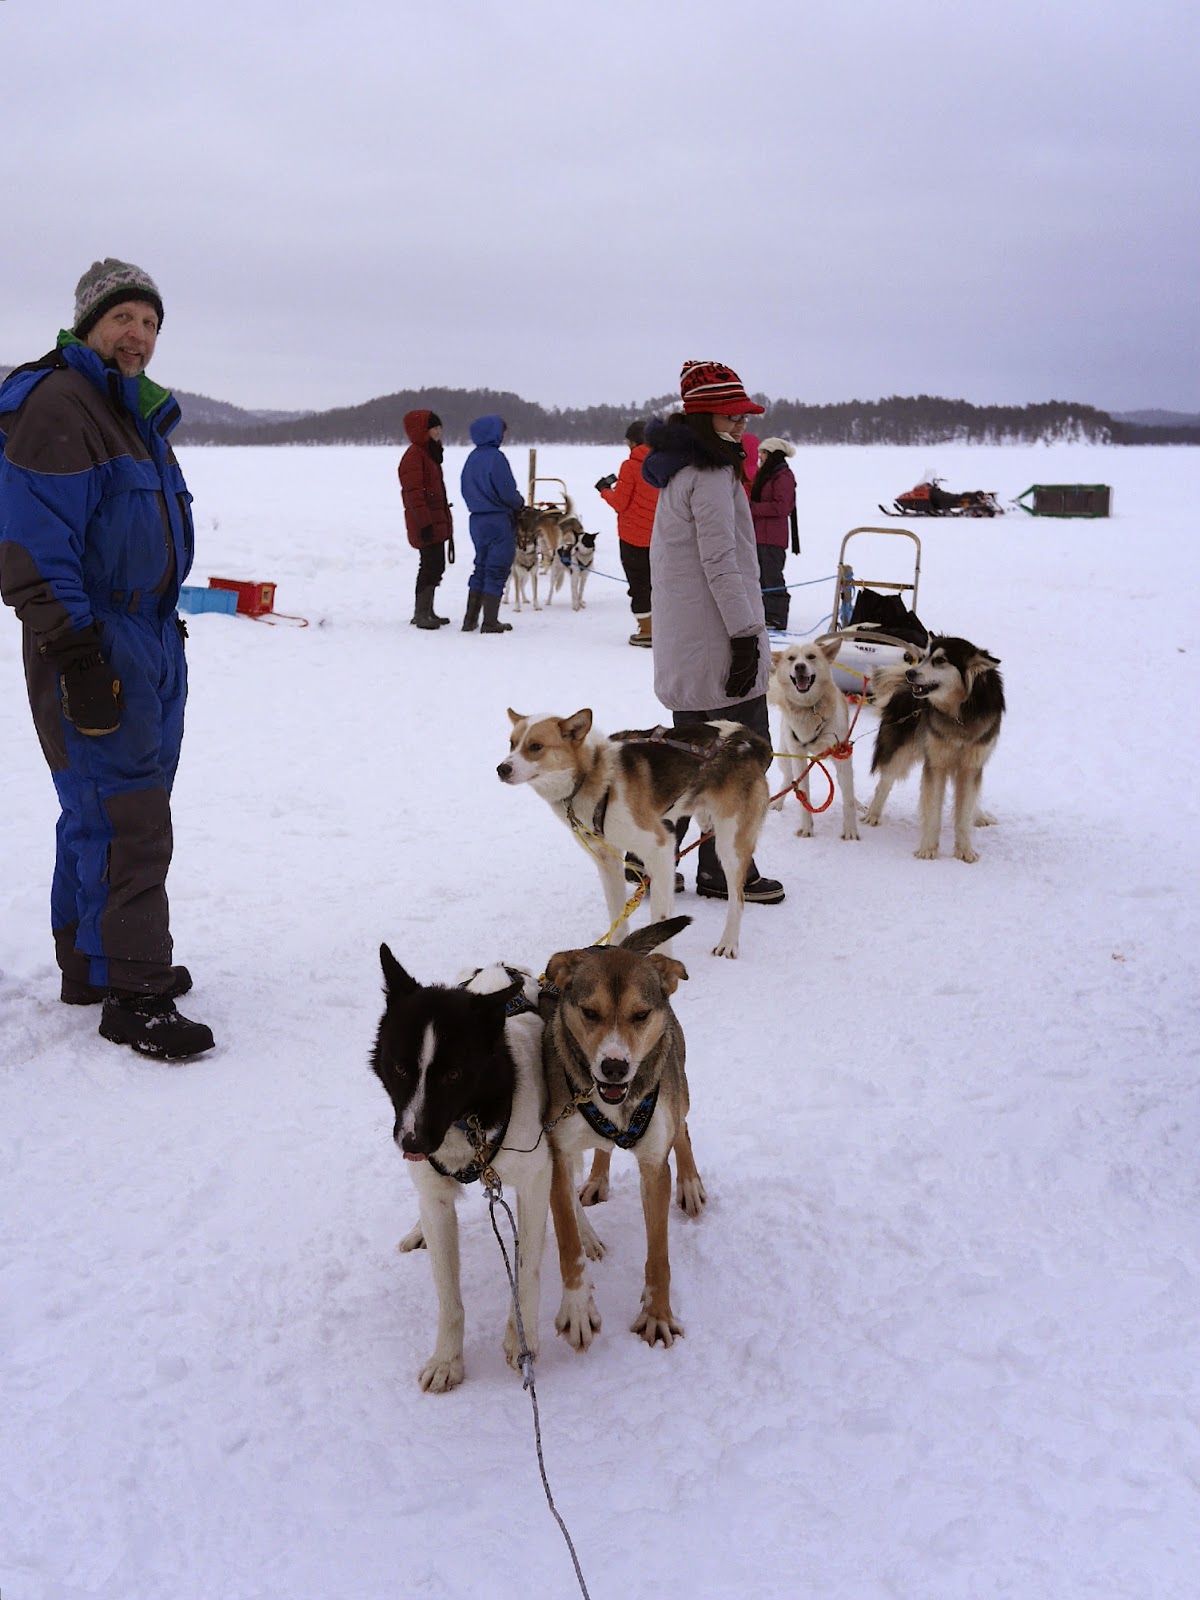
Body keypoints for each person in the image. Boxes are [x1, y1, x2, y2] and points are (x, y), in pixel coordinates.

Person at [0, 258, 214, 1060]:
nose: (140, 336)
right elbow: (29, 543)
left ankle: (95, 961)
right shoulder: (60, 404)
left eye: (151, 323)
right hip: (94, 639)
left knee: (111, 806)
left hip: (149, 634)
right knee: (128, 814)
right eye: (124, 319)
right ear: (89, 324)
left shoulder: (127, 413)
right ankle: (135, 991)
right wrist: (75, 651)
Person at [642, 360, 784, 904]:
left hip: (695, 644)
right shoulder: (709, 474)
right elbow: (722, 562)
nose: (741, 425)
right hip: (719, 645)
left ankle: (655, 859)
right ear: (704, 419)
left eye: (744, 416)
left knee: (688, 759)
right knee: (740, 762)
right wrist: (748, 634)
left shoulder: (684, 470)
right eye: (730, 416)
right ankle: (724, 869)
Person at [459, 415, 524, 634]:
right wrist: (519, 503)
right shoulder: (496, 458)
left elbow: (465, 488)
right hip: (498, 520)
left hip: (476, 520)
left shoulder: (472, 458)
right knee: (496, 569)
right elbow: (507, 491)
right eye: (503, 432)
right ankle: (490, 621)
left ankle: (470, 619)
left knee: (481, 566)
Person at [596, 419, 659, 647]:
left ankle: (647, 630)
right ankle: (664, 628)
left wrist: (604, 490)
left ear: (633, 442)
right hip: (661, 536)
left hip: (633, 536)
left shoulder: (631, 465)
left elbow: (621, 503)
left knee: (639, 584)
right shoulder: (666, 463)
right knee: (659, 583)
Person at [398, 409, 453, 630]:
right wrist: (425, 523)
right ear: (423, 431)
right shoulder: (414, 455)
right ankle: (421, 613)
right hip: (426, 522)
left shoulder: (430, 453)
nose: (438, 431)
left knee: (436, 565)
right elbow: (414, 495)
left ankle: (427, 610)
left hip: (435, 519)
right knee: (429, 565)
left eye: (439, 428)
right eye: (434, 428)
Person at [749, 437, 798, 631]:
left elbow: (782, 507)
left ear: (773, 454)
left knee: (772, 577)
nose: (759, 456)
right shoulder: (768, 474)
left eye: (763, 453)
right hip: (760, 535)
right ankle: (766, 614)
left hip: (773, 537)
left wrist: (752, 508)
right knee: (761, 576)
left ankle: (777, 617)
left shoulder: (783, 476)